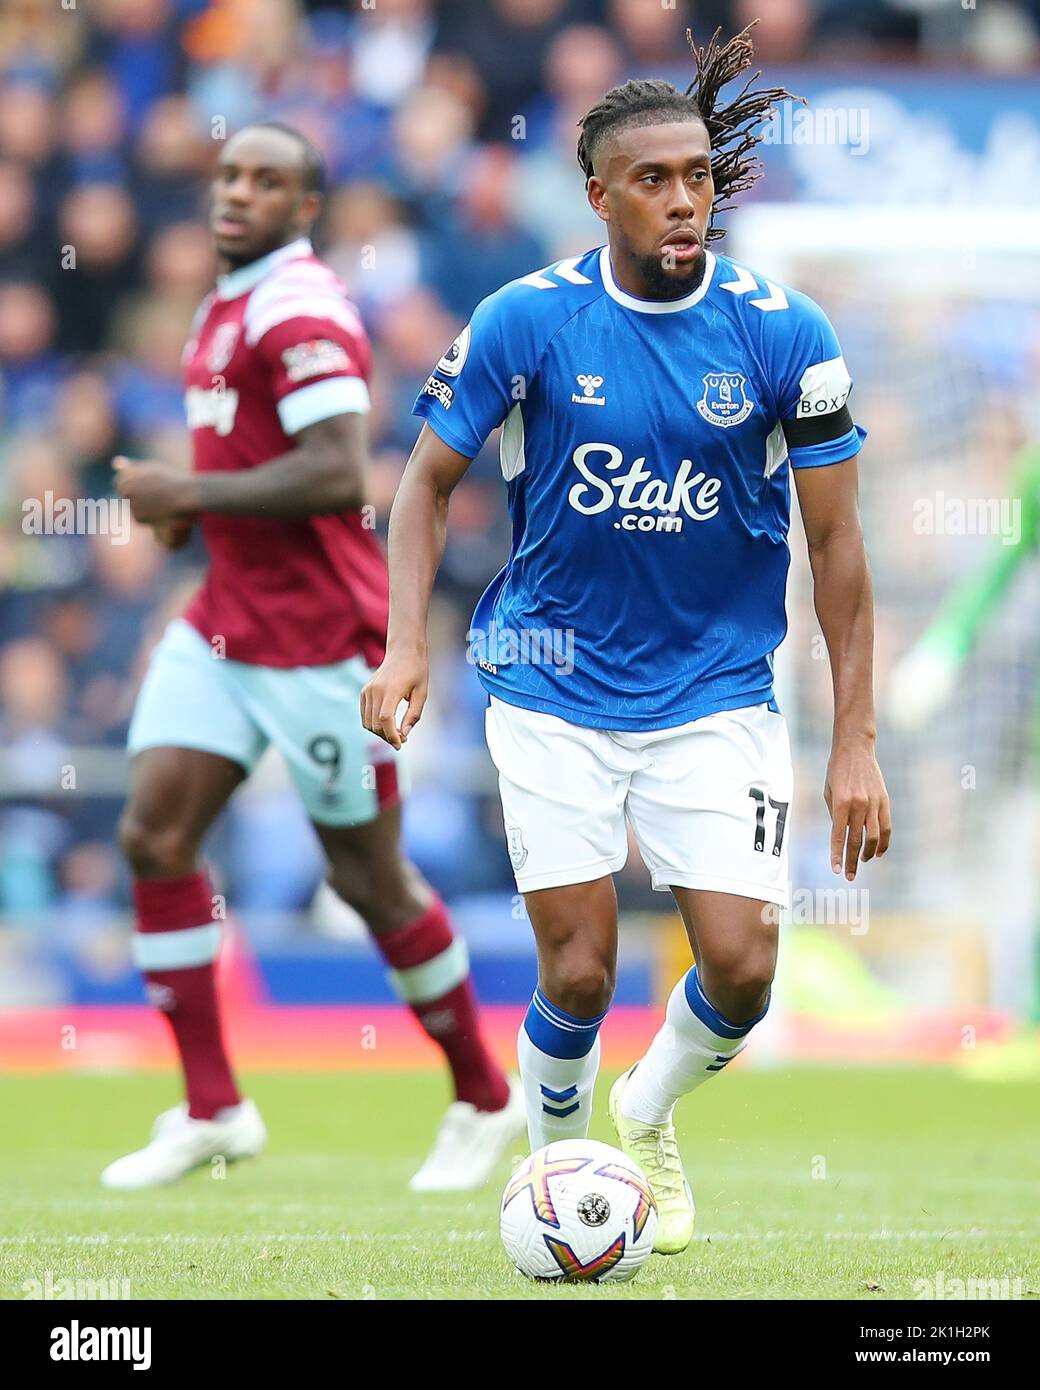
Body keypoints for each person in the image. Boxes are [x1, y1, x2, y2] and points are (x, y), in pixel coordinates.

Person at [361, 27, 892, 1255]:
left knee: (744, 966)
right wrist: (403, 647)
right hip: (548, 679)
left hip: (714, 688)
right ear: (596, 194)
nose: (681, 200)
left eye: (696, 177)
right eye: (650, 180)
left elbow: (840, 550)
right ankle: (556, 1177)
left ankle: (643, 1114)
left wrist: (851, 738)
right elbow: (423, 486)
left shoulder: (783, 333)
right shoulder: (524, 319)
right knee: (582, 972)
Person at [107, 121, 523, 1192]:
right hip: (225, 623)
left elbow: (341, 472)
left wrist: (183, 494)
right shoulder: (226, 300)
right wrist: (191, 516)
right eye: (229, 174)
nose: (238, 193)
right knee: (154, 831)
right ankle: (213, 1109)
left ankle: (483, 1093)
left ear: (305, 207)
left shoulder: (300, 309)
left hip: (324, 643)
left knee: (369, 878)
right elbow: (255, 461)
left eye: (268, 181)